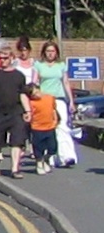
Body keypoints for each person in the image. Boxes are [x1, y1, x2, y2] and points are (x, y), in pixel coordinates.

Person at [0, 49, 31, 180]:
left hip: (16, 111)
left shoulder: (19, 76)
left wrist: (28, 111)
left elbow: (22, 94)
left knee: (17, 140)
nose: (3, 60)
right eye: (1, 58)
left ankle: (15, 169)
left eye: (5, 58)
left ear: (12, 58)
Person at [30, 41, 71, 171]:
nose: (50, 54)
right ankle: (48, 159)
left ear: (56, 53)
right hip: (44, 100)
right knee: (48, 130)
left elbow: (66, 82)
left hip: (59, 98)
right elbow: (34, 82)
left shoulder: (61, 65)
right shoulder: (38, 65)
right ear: (44, 52)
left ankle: (66, 157)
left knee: (62, 126)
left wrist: (71, 101)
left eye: (53, 51)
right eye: (48, 51)